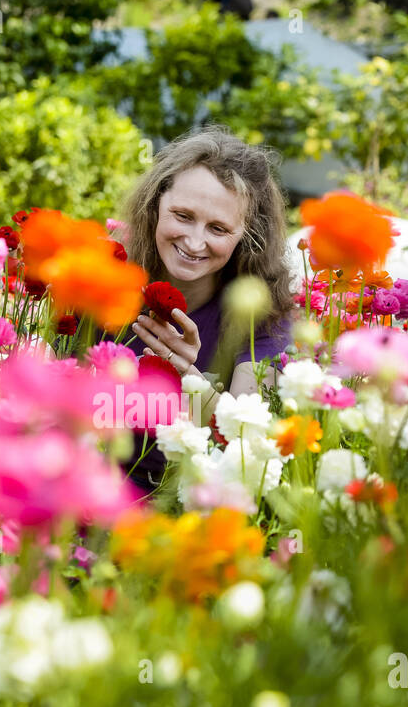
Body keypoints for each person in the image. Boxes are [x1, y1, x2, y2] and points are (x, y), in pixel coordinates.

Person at [109, 124, 296, 497]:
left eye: (218, 228)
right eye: (182, 215)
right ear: (156, 204)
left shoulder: (263, 320)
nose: (195, 242)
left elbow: (244, 445)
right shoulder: (106, 281)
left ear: (247, 233)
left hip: (181, 503)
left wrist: (190, 378)